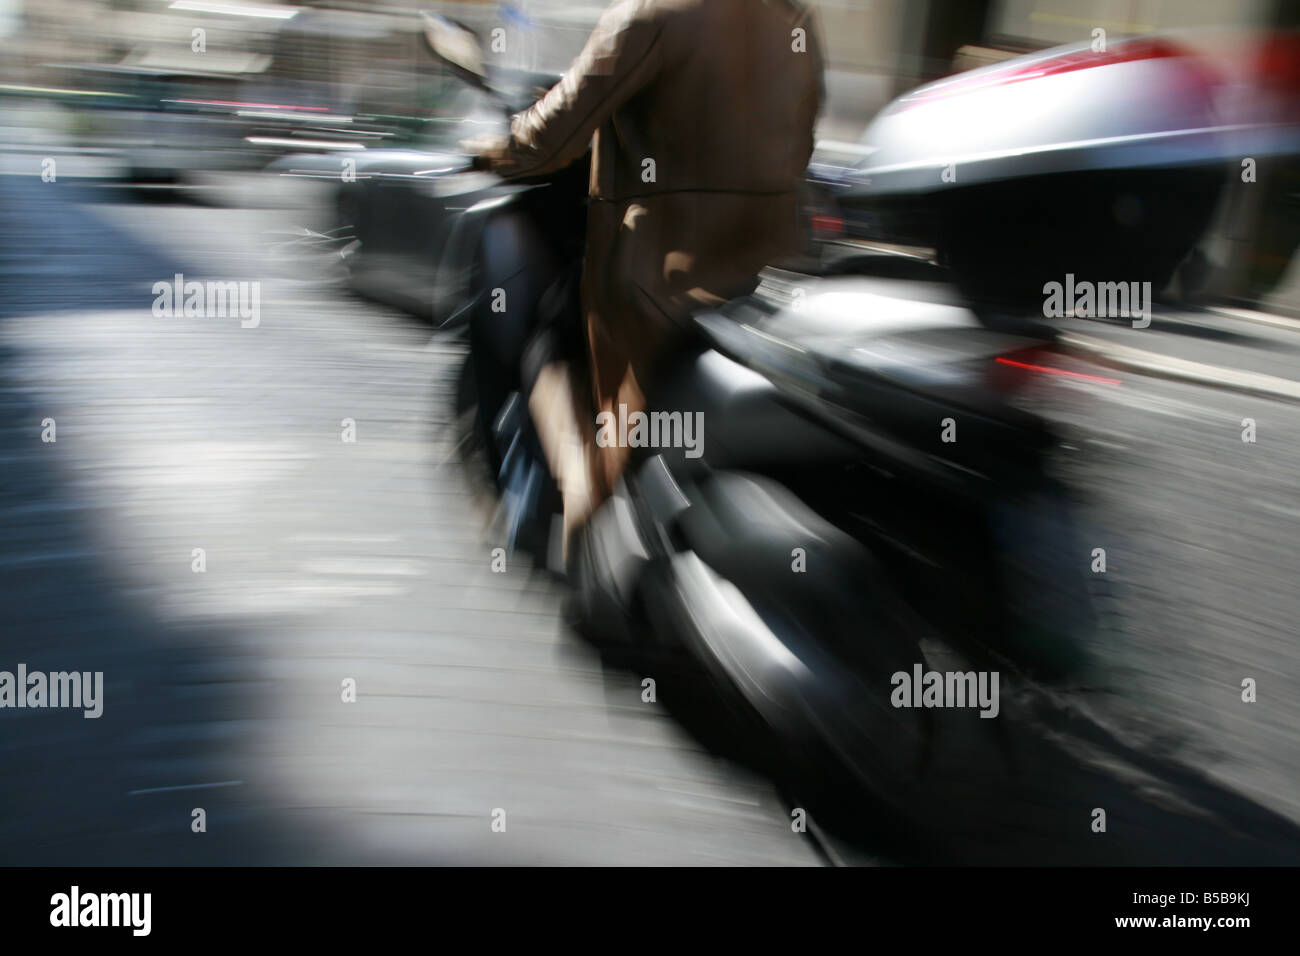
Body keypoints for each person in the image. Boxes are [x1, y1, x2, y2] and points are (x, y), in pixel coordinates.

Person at [469, 0, 824, 560]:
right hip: (766, 267)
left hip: (663, 279)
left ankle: (584, 518)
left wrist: (490, 152)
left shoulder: (648, 15)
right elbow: (801, 138)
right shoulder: (793, 19)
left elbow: (552, 138)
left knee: (547, 348)